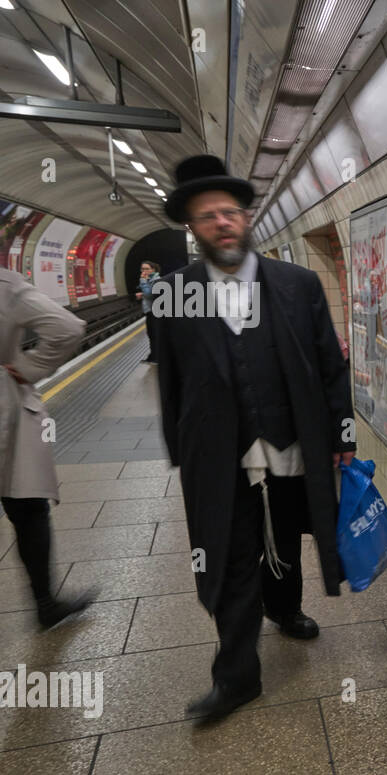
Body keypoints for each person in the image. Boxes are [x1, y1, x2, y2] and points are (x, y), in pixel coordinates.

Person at [156, 154, 356, 724]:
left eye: (229, 212)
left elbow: (329, 364)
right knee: (231, 553)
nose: (221, 222)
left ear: (246, 218)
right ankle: (237, 677)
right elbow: (169, 380)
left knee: (289, 532)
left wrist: (343, 433)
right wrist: (180, 449)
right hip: (219, 454)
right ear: (193, 228)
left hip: (295, 441)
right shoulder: (173, 294)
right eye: (206, 216)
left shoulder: (297, 284)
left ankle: (286, 610)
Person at [0, 267, 98, 629]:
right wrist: (27, 368)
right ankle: (45, 603)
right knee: (27, 508)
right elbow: (68, 328)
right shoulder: (6, 287)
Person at [137, 261, 161, 363]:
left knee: (154, 334)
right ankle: (153, 356)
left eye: (147, 269)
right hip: (151, 310)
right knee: (151, 334)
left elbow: (149, 295)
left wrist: (142, 280)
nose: (144, 271)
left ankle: (156, 357)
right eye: (142, 269)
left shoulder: (156, 280)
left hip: (154, 311)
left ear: (153, 270)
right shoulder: (151, 280)